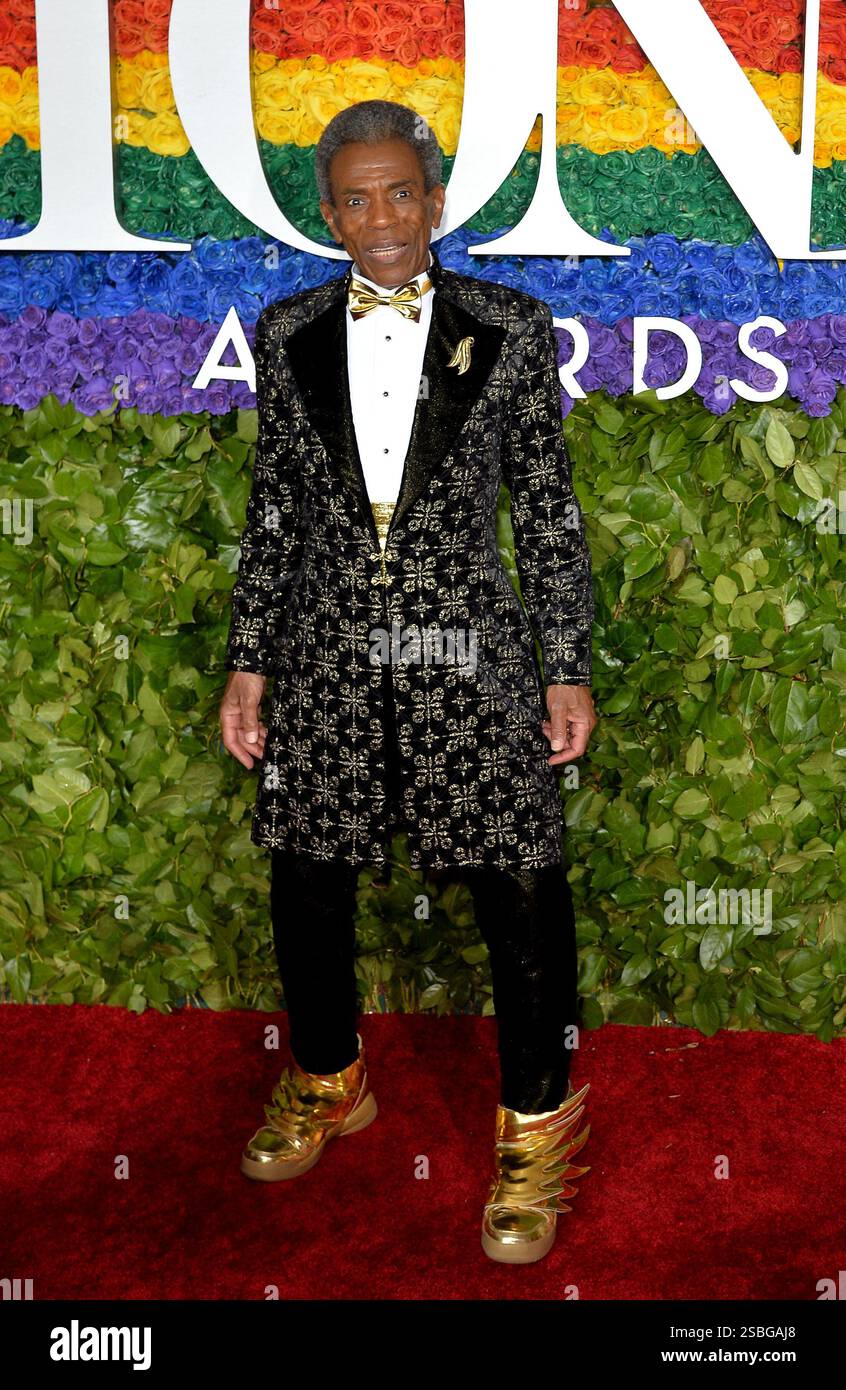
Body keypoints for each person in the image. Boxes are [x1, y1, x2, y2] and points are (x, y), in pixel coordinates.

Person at [219, 99, 597, 1265]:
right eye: (355, 198)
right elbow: (275, 511)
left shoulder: (512, 327)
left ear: (435, 201)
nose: (380, 217)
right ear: (328, 213)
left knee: (520, 890)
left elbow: (544, 510)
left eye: (400, 193)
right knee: (309, 875)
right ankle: (331, 1075)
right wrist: (250, 660)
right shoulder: (285, 335)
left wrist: (566, 665)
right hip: (327, 646)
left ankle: (538, 1126)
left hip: (471, 650)